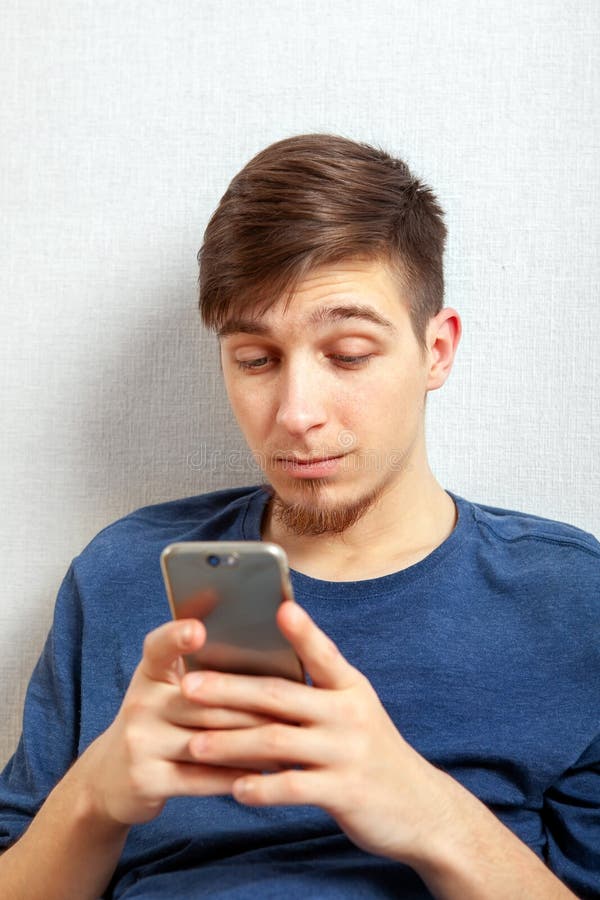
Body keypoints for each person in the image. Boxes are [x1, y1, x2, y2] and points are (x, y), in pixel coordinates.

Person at [0, 133, 598, 900]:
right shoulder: (121, 573)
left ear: (437, 350)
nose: (295, 413)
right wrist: (93, 799)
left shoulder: (569, 598)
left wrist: (434, 816)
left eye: (347, 354)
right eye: (256, 359)